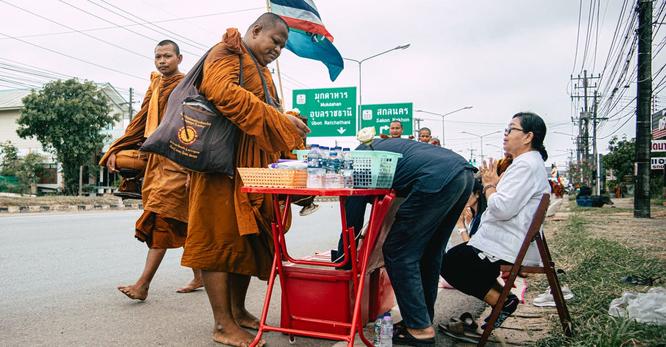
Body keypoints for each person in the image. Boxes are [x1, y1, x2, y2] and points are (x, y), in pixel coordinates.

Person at [180, 13, 309, 346]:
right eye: (275, 41)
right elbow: (221, 92)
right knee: (217, 243)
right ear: (255, 31)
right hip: (220, 166)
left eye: (282, 45)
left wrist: (287, 120)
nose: (278, 49)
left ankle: (237, 311)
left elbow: (270, 113)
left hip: (252, 170)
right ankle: (222, 324)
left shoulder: (263, 71)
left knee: (245, 241)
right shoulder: (227, 51)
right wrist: (278, 119)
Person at [339, 138, 475, 345]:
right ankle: (422, 320)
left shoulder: (358, 164)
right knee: (430, 252)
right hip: (463, 175)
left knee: (398, 251)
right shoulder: (381, 150)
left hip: (435, 179)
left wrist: (344, 260)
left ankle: (419, 328)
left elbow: (352, 221)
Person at [99, 40, 202, 301]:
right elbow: (140, 121)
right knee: (184, 220)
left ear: (180, 58)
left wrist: (193, 167)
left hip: (179, 161)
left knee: (161, 219)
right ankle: (200, 274)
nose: (162, 61)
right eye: (157, 57)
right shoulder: (155, 84)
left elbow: (196, 125)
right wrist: (116, 148)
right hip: (156, 162)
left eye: (167, 56)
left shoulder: (189, 86)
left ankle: (143, 284)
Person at [439, 112, 550, 333]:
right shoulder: (527, 163)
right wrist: (497, 185)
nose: (505, 135)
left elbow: (500, 208)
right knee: (460, 257)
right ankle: (504, 298)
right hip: (508, 240)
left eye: (511, 130)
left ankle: (501, 302)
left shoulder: (525, 165)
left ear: (528, 136)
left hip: (507, 243)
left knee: (450, 263)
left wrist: (490, 186)